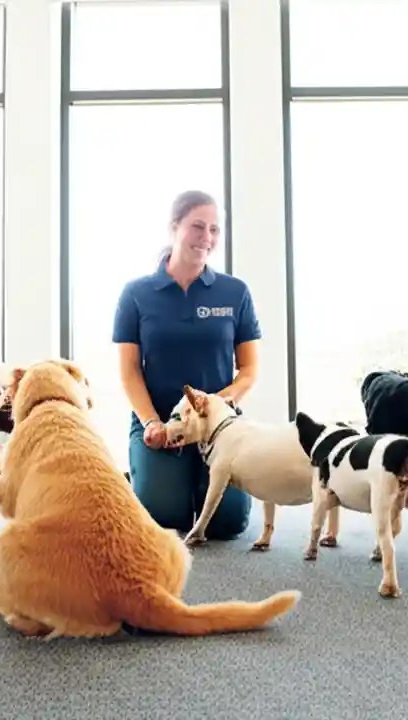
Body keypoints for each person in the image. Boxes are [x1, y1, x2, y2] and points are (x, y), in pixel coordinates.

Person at [113, 190, 261, 540]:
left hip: (219, 424)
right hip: (162, 424)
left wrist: (214, 406)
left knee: (227, 525)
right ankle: (151, 472)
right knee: (164, 518)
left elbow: (250, 370)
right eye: (197, 226)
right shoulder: (136, 294)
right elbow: (130, 370)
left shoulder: (234, 292)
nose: (206, 238)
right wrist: (151, 422)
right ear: (174, 227)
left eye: (214, 229)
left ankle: (194, 477)